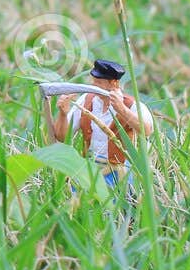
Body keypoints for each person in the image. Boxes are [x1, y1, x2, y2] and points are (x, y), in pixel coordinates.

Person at [48, 59, 153, 189]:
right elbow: (62, 136)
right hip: (90, 165)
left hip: (117, 169)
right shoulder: (86, 100)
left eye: (99, 83)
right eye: (93, 81)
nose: (94, 86)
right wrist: (63, 114)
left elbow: (146, 130)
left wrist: (122, 110)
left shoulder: (131, 105)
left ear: (114, 83)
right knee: (78, 194)